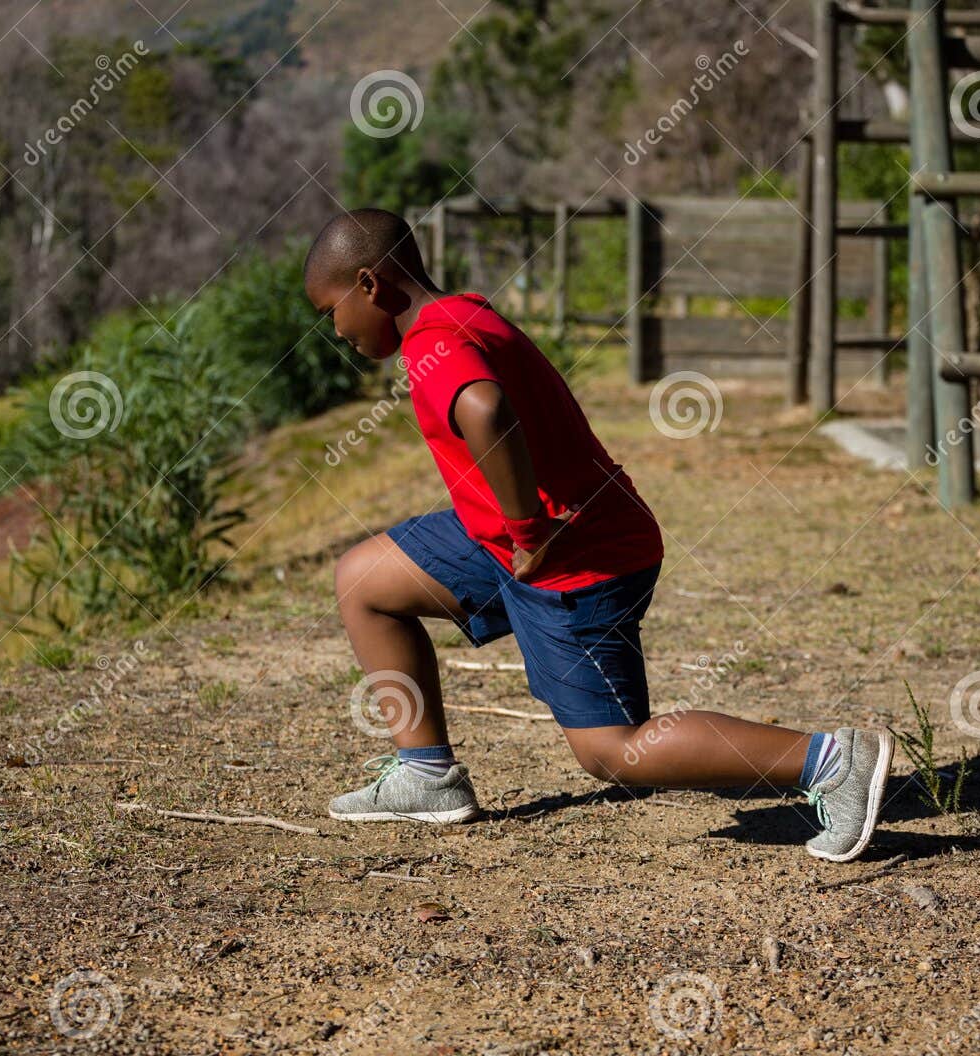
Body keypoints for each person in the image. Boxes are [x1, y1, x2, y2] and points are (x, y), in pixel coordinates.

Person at [302, 208, 893, 862]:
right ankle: (426, 774)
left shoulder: (431, 348)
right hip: (516, 541)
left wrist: (527, 529)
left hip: (573, 563)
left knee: (614, 749)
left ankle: (832, 762)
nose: (336, 330)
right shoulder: (464, 313)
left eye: (330, 311)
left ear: (370, 285)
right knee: (364, 580)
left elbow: (485, 408)